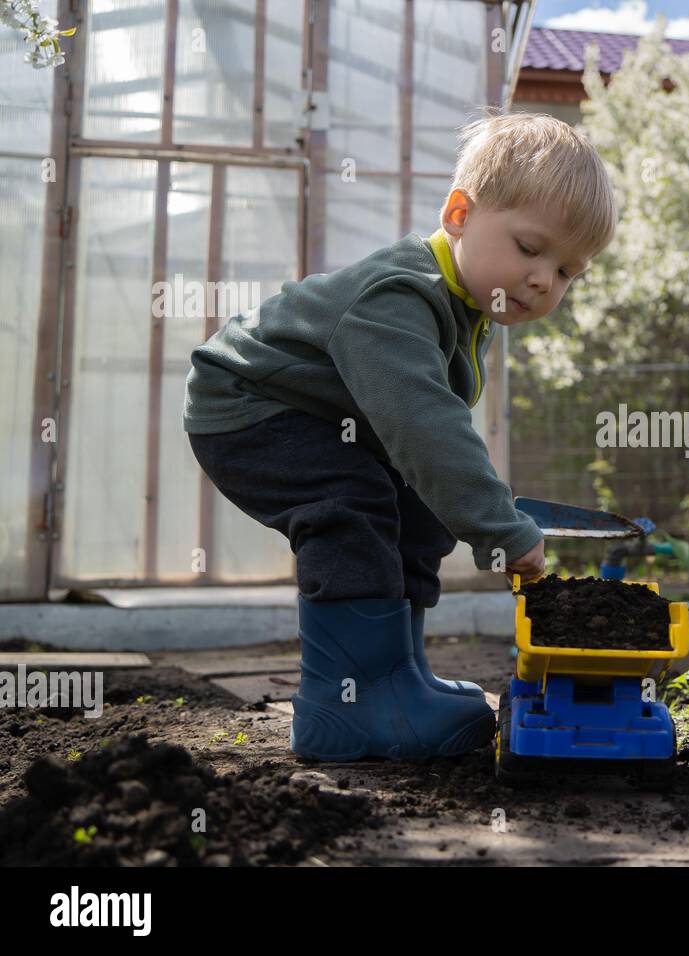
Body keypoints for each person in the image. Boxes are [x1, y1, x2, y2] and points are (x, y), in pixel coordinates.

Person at [184, 110, 618, 761]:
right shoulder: (399, 297)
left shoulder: (469, 312)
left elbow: (430, 444)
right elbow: (426, 427)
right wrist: (498, 527)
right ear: (460, 214)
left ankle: (397, 677)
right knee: (348, 508)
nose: (542, 279)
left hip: (324, 413)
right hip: (249, 402)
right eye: (531, 248)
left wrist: (470, 511)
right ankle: (343, 707)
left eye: (566, 273)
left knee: (418, 511)